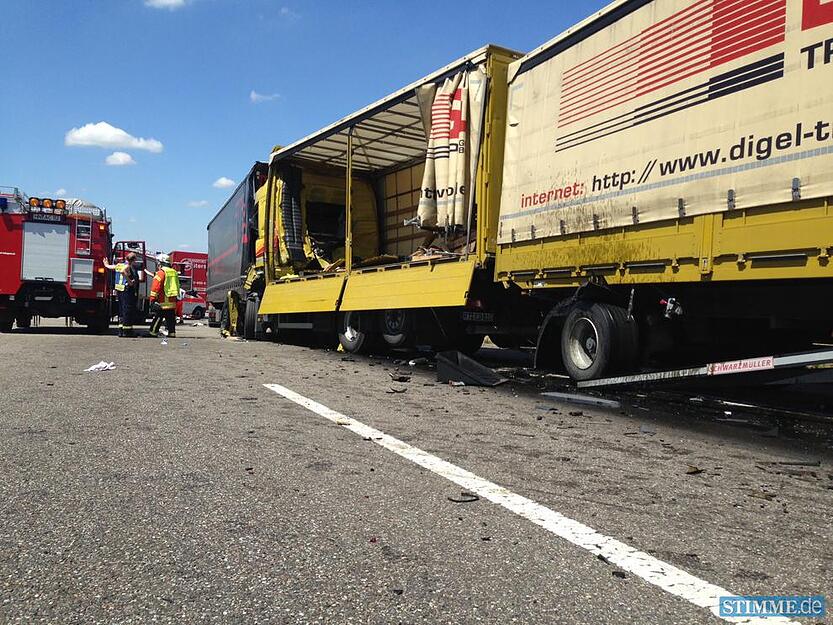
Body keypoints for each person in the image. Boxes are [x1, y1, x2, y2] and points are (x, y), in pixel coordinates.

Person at [103, 252, 140, 337]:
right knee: (127, 310)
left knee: (121, 310)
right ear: (133, 260)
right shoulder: (128, 266)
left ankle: (121, 330)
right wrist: (130, 281)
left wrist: (106, 264)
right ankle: (127, 331)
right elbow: (123, 272)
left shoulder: (119, 265)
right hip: (127, 290)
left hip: (119, 290)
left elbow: (110, 267)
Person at [148, 253, 180, 338]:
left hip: (162, 301)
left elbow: (156, 287)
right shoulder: (174, 272)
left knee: (158, 318)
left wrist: (152, 299)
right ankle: (172, 333)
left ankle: (153, 332)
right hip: (172, 301)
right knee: (171, 319)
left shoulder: (161, 273)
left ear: (161, 262)